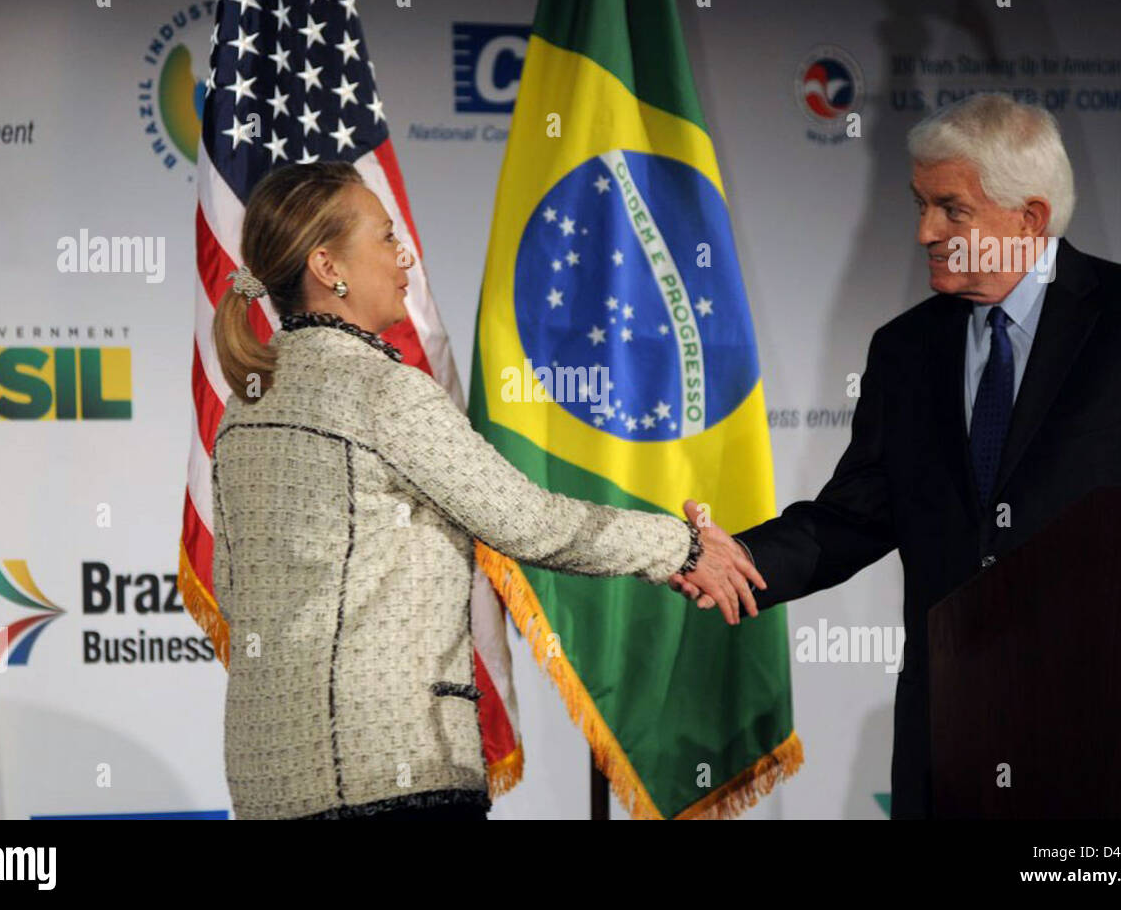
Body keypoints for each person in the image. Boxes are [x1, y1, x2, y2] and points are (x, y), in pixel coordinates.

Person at [680, 93, 1121, 818]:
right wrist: (738, 558)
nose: (925, 230)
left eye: (951, 209)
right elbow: (851, 519)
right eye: (921, 205)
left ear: (1029, 219)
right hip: (949, 736)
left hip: (1104, 739)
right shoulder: (905, 350)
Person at [208, 161, 764, 820]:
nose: (404, 255)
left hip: (269, 781)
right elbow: (527, 520)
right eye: (386, 238)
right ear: (330, 267)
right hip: (390, 778)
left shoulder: (241, 410)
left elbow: (236, 595)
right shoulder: (383, 390)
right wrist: (681, 546)